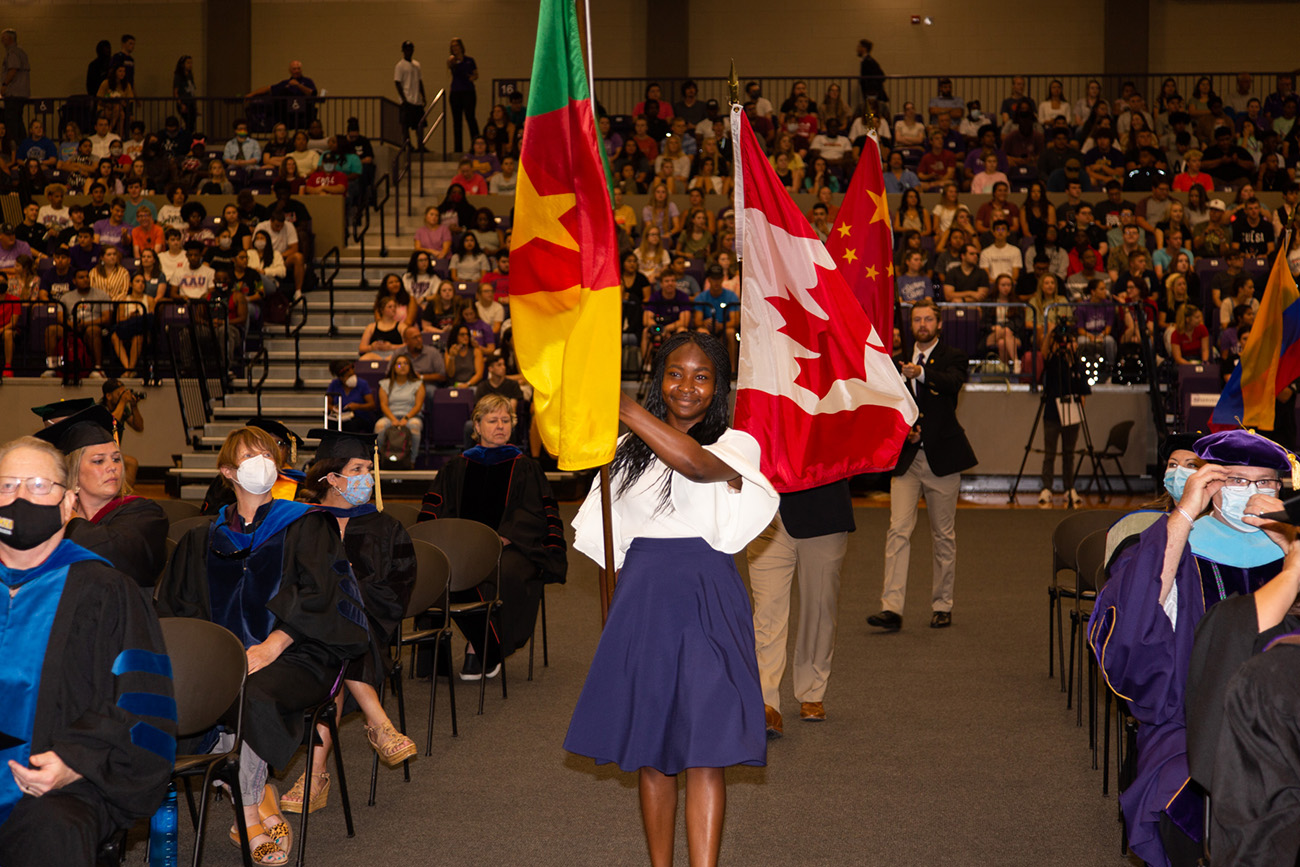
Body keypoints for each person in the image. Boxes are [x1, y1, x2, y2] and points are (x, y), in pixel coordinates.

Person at [564, 332, 778, 866]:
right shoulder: (621, 453)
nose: (687, 386)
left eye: (702, 376)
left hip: (708, 599)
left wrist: (621, 406)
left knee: (707, 748)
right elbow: (608, 544)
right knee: (653, 751)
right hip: (643, 600)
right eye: (676, 373)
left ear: (718, 387)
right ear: (660, 379)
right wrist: (616, 615)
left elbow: (694, 466)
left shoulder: (735, 445)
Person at [157, 425, 370, 866]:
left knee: (251, 693)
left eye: (269, 454)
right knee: (188, 695)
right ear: (227, 472)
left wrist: (273, 645)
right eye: (249, 456)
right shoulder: (203, 539)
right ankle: (256, 792)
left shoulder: (306, 524)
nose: (262, 463)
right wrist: (215, 660)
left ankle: (248, 811)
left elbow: (323, 596)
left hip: (300, 653)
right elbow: (181, 611)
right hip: (226, 661)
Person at [1090, 430, 1293, 867]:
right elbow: (1136, 621)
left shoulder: (1291, 548)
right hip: (1191, 720)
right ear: (1210, 484)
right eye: (1236, 480)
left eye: (1265, 482)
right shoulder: (1180, 542)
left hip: (1287, 719)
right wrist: (1184, 514)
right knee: (1187, 795)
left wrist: (1291, 546)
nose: (1251, 492)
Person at [0, 435, 175, 867]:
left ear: (68, 504)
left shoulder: (106, 590)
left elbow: (139, 705)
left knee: (52, 829)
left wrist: (74, 763)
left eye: (39, 486)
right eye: (7, 485)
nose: (21, 498)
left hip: (61, 783)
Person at [282, 429, 417, 814]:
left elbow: (399, 588)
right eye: (357, 470)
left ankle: (314, 775)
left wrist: (348, 597)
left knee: (341, 645)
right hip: (305, 632)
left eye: (368, 470)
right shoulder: (303, 524)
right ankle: (379, 723)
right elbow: (285, 584)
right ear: (332, 477)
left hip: (368, 630)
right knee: (337, 631)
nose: (367, 478)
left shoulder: (386, 527)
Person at [418, 393, 568, 677]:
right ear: (477, 426)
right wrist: (455, 543)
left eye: (506, 420)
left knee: (505, 574)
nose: (500, 426)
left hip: (511, 547)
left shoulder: (525, 467)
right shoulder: (456, 466)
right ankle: (464, 649)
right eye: (492, 420)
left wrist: (504, 537)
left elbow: (536, 512)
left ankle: (482, 648)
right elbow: (438, 509)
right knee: (443, 571)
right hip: (462, 549)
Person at [868, 299, 977, 631]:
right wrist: (905, 432)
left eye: (929, 319)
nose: (923, 325)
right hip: (908, 460)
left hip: (943, 458)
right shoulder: (895, 362)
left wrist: (922, 373)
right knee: (897, 531)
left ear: (939, 324)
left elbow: (952, 383)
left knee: (943, 535)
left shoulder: (953, 356)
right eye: (917, 319)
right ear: (911, 324)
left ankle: (942, 605)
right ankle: (891, 608)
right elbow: (888, 408)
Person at [746, 479, 854, 737]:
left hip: (823, 509)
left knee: (819, 609)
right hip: (766, 513)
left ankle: (812, 691)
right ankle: (766, 702)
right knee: (766, 611)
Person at [32, 404, 166, 594]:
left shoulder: (145, 513)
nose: (112, 467)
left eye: (116, 459)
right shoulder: (51, 515)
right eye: (99, 461)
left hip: (120, 608)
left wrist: (71, 520)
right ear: (72, 471)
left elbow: (113, 553)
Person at [1036, 324, 1092, 508]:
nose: (1070, 345)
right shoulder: (1054, 361)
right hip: (1052, 413)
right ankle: (1047, 488)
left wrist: (1079, 409)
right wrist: (1051, 334)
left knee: (1069, 453)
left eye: (1072, 341)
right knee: (1049, 453)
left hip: (1072, 413)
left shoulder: (1078, 365)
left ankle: (1069, 487)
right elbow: (1045, 353)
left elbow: (1083, 392)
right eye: (1067, 342)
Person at [374, 354, 425, 457]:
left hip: (411, 417)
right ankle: (382, 458)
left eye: (405, 363)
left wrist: (406, 418)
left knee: (414, 427)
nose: (402, 366)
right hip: (390, 417)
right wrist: (393, 420)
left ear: (410, 367)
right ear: (393, 367)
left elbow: (418, 405)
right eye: (399, 364)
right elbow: (384, 405)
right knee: (379, 426)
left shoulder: (418, 384)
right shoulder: (385, 384)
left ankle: (412, 460)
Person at [447, 38, 478, 153]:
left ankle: (476, 144)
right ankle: (458, 149)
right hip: (456, 92)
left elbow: (476, 74)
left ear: (461, 47)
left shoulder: (469, 60)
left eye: (456, 45)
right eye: (453, 46)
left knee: (470, 118)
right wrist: (453, 61)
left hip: (468, 92)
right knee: (457, 121)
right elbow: (450, 67)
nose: (455, 48)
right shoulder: (452, 61)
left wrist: (471, 78)